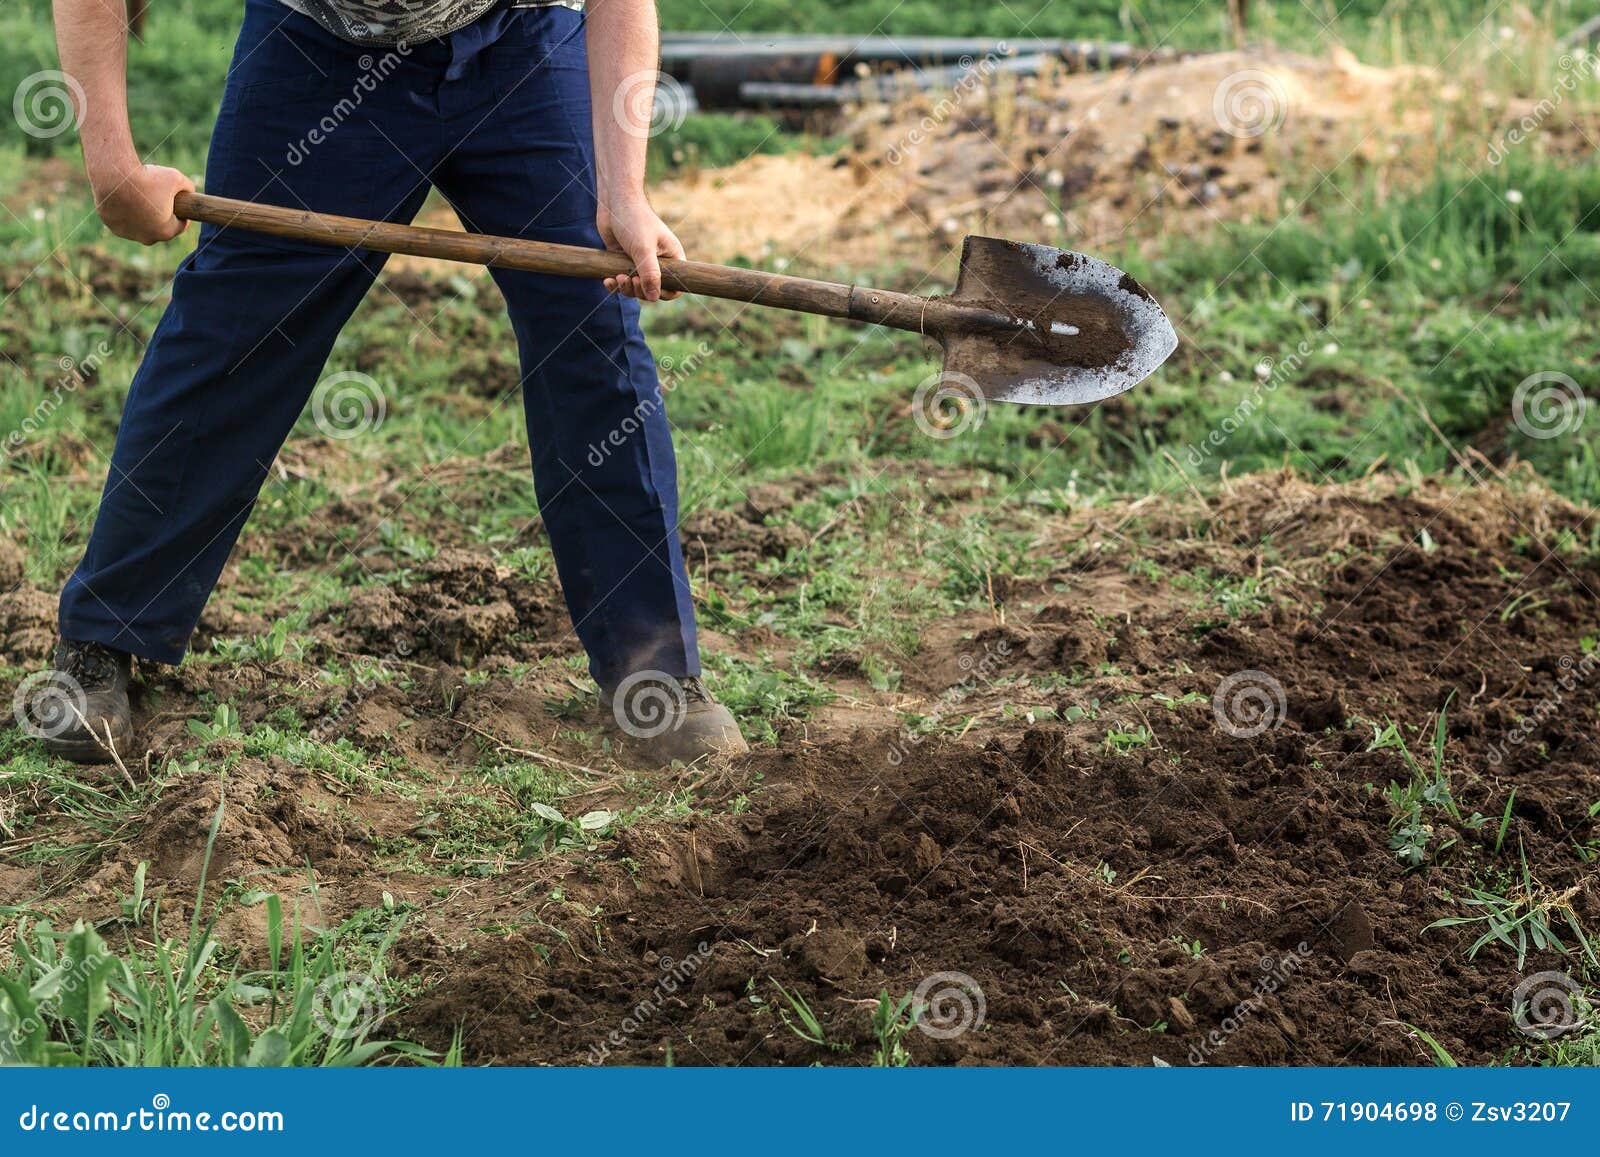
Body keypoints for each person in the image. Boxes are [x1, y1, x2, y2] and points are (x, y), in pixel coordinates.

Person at [39, 0, 745, 765]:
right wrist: (113, 170)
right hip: (320, 53)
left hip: (525, 43)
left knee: (594, 322)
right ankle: (101, 638)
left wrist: (625, 194)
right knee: (237, 329)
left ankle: (657, 673)